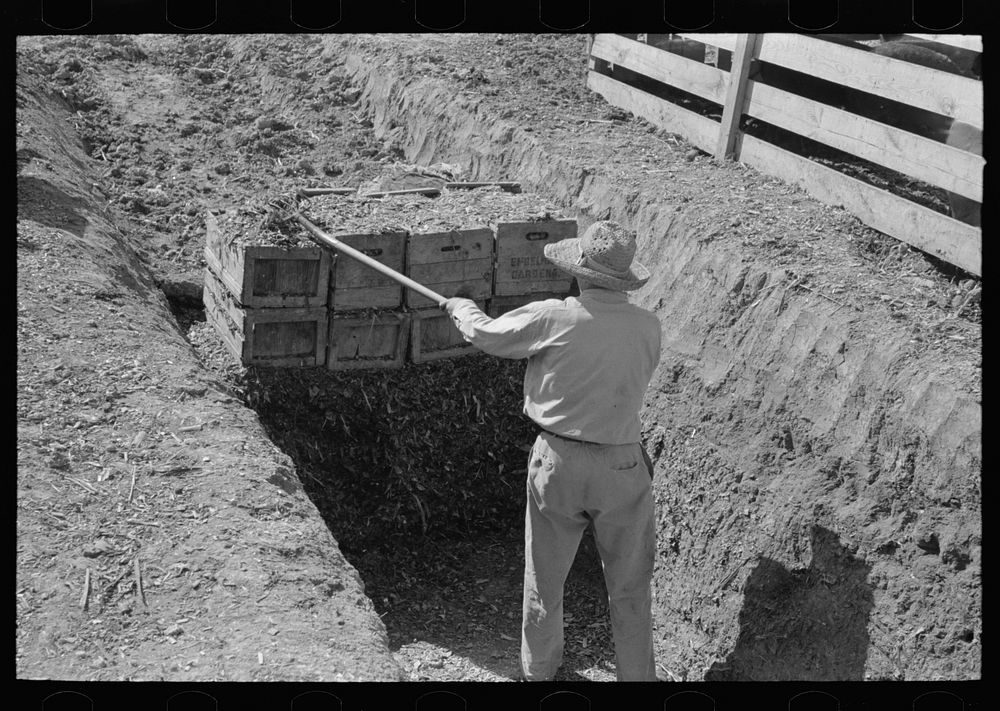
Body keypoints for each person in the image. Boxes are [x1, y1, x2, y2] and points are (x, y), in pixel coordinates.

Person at [440, 220, 663, 682]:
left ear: (579, 269)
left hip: (559, 462)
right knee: (630, 589)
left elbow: (489, 335)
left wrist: (461, 307)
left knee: (546, 577)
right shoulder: (648, 326)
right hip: (623, 464)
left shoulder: (554, 315)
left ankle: (539, 671)